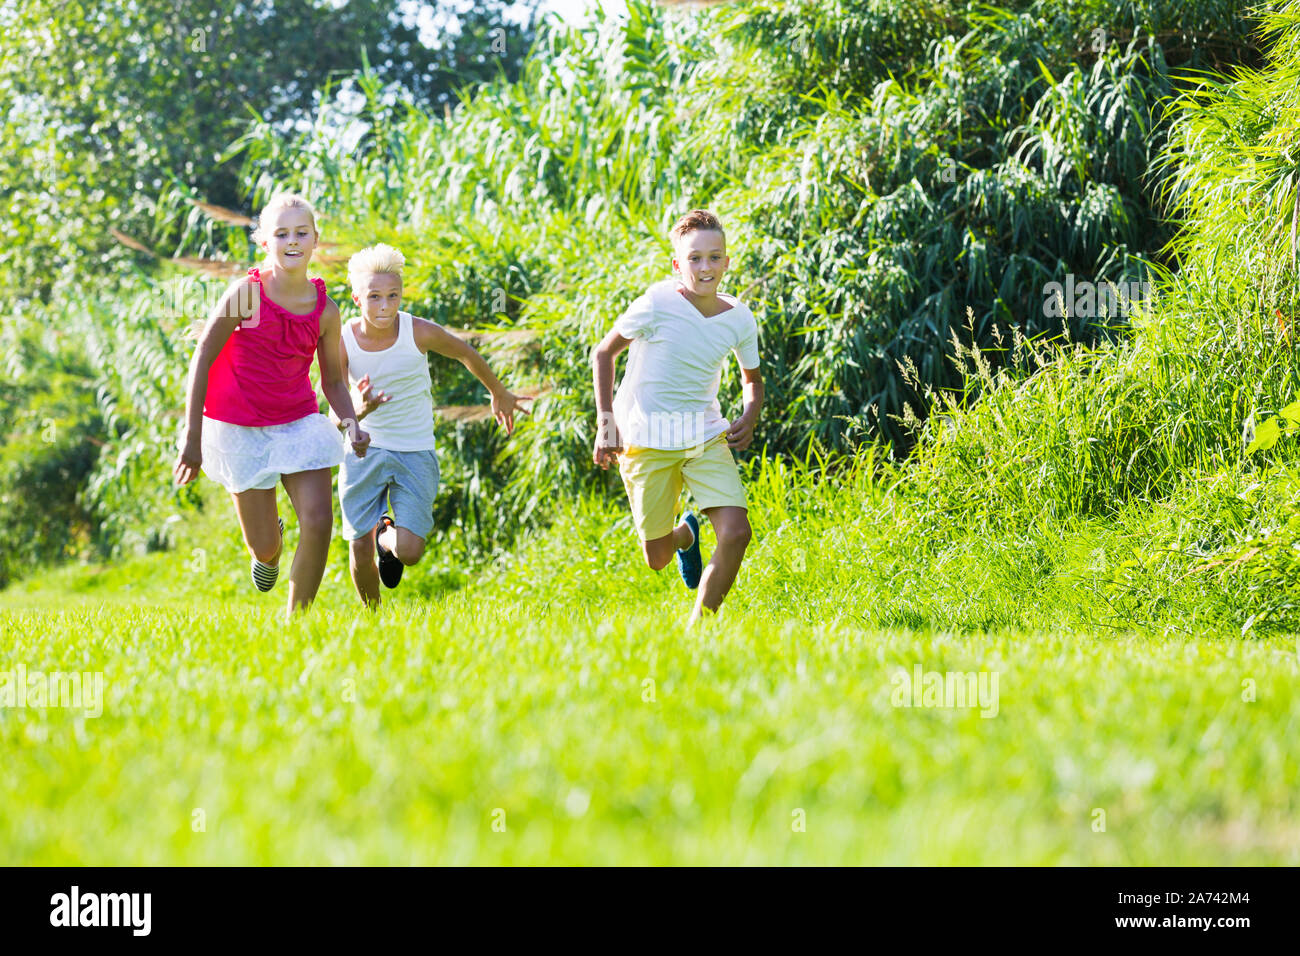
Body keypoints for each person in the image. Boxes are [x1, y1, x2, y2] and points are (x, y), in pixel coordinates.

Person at [172, 193, 369, 615]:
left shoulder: (325, 312)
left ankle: (295, 623)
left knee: (318, 521)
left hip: (297, 423)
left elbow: (333, 381)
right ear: (264, 241)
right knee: (263, 548)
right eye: (282, 233)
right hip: (238, 427)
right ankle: (269, 548)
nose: (292, 240)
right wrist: (193, 439)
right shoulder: (246, 295)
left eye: (301, 233)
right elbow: (202, 359)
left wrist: (351, 422)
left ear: (316, 240)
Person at [591, 209, 764, 625]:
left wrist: (752, 410)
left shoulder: (739, 317)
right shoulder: (657, 303)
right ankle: (685, 535)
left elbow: (752, 380)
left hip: (703, 436)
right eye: (695, 258)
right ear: (677, 264)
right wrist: (606, 421)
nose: (706, 267)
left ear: (727, 261)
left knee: (738, 533)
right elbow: (603, 353)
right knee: (657, 558)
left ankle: (698, 629)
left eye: (714, 257)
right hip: (646, 439)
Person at [335, 243, 531, 607]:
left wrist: (498, 391)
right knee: (357, 544)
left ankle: (386, 537)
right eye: (374, 296)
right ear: (356, 298)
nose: (384, 306)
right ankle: (373, 621)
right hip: (364, 450)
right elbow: (332, 412)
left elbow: (465, 353)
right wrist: (356, 414)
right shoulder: (343, 342)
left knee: (409, 551)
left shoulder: (417, 331)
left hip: (415, 450)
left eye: (393, 296)